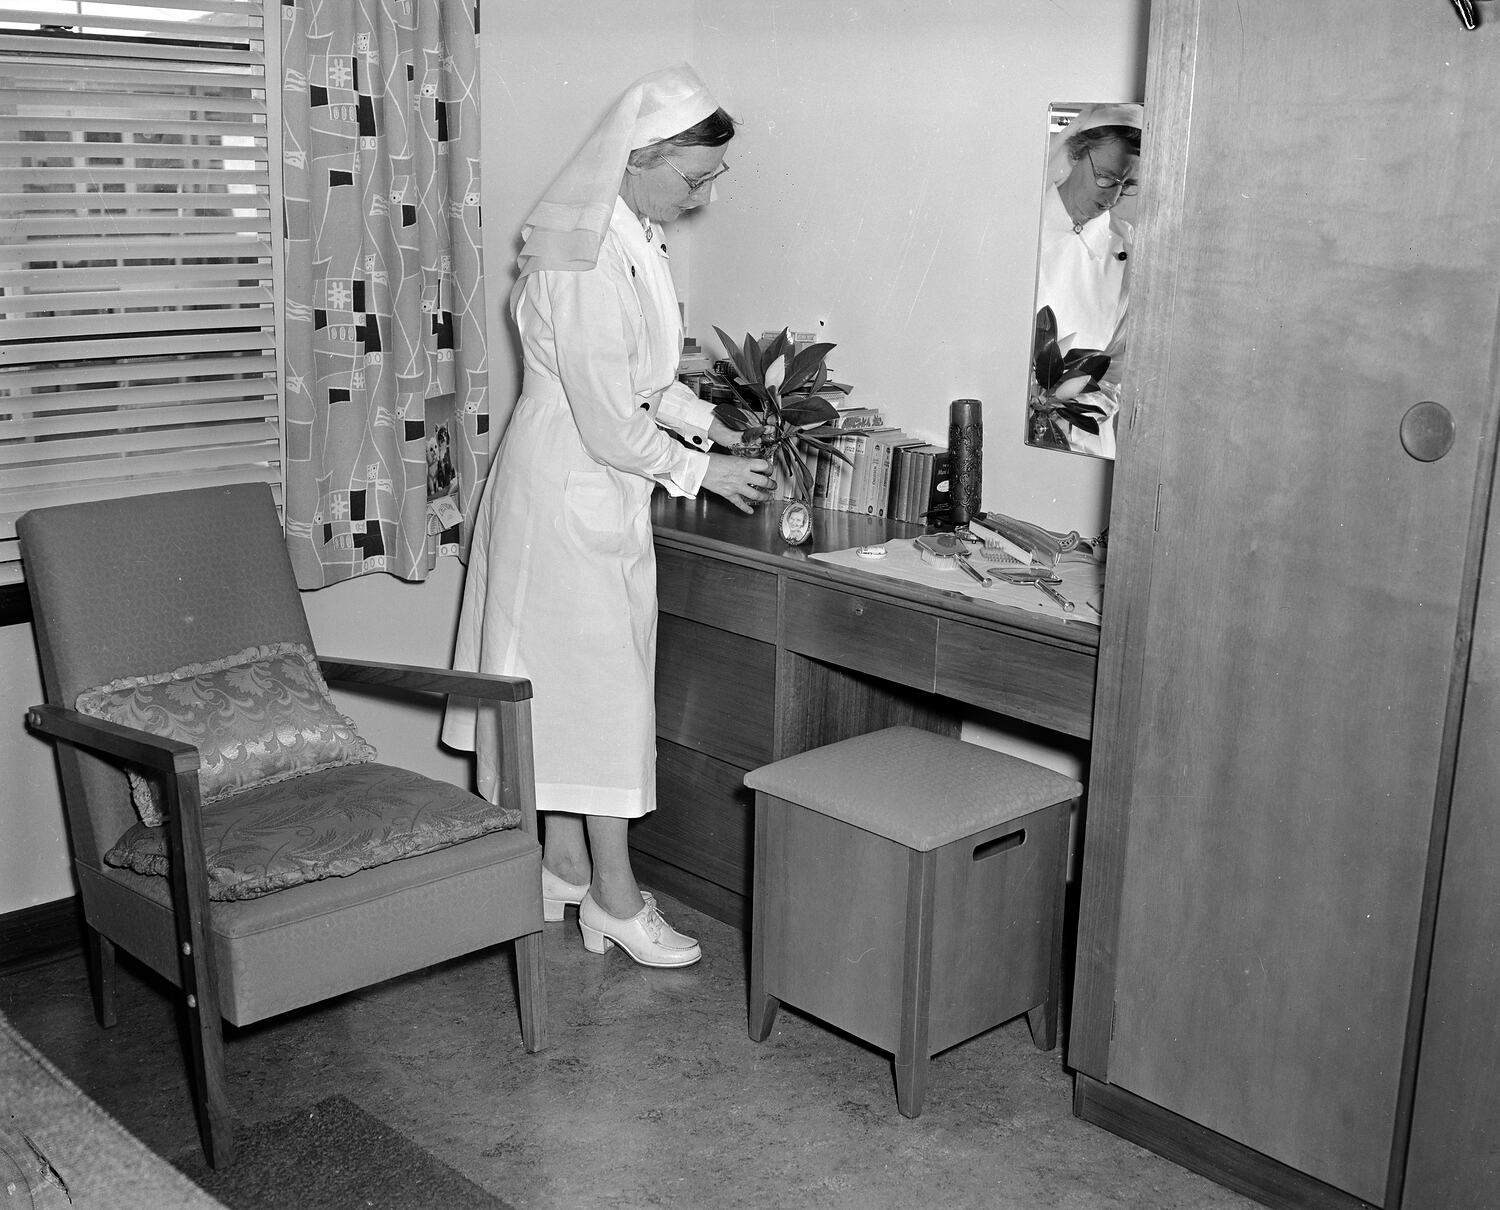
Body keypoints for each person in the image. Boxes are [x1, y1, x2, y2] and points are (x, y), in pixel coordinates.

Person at [442, 65, 770, 969]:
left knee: (567, 686)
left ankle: (561, 865)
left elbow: (645, 380)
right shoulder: (586, 257)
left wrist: (713, 424)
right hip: (569, 485)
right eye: (694, 178)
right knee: (602, 696)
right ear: (641, 156)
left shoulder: (629, 234)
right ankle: (615, 903)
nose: (701, 197)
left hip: (584, 477)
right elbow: (607, 417)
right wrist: (703, 472)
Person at [1031, 103, 1143, 458]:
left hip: (1083, 446)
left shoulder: (1129, 249)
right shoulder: (1023, 225)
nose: (1111, 198)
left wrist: (1068, 410)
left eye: (1126, 185)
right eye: (1107, 177)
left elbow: (1121, 369)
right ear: (1077, 153)